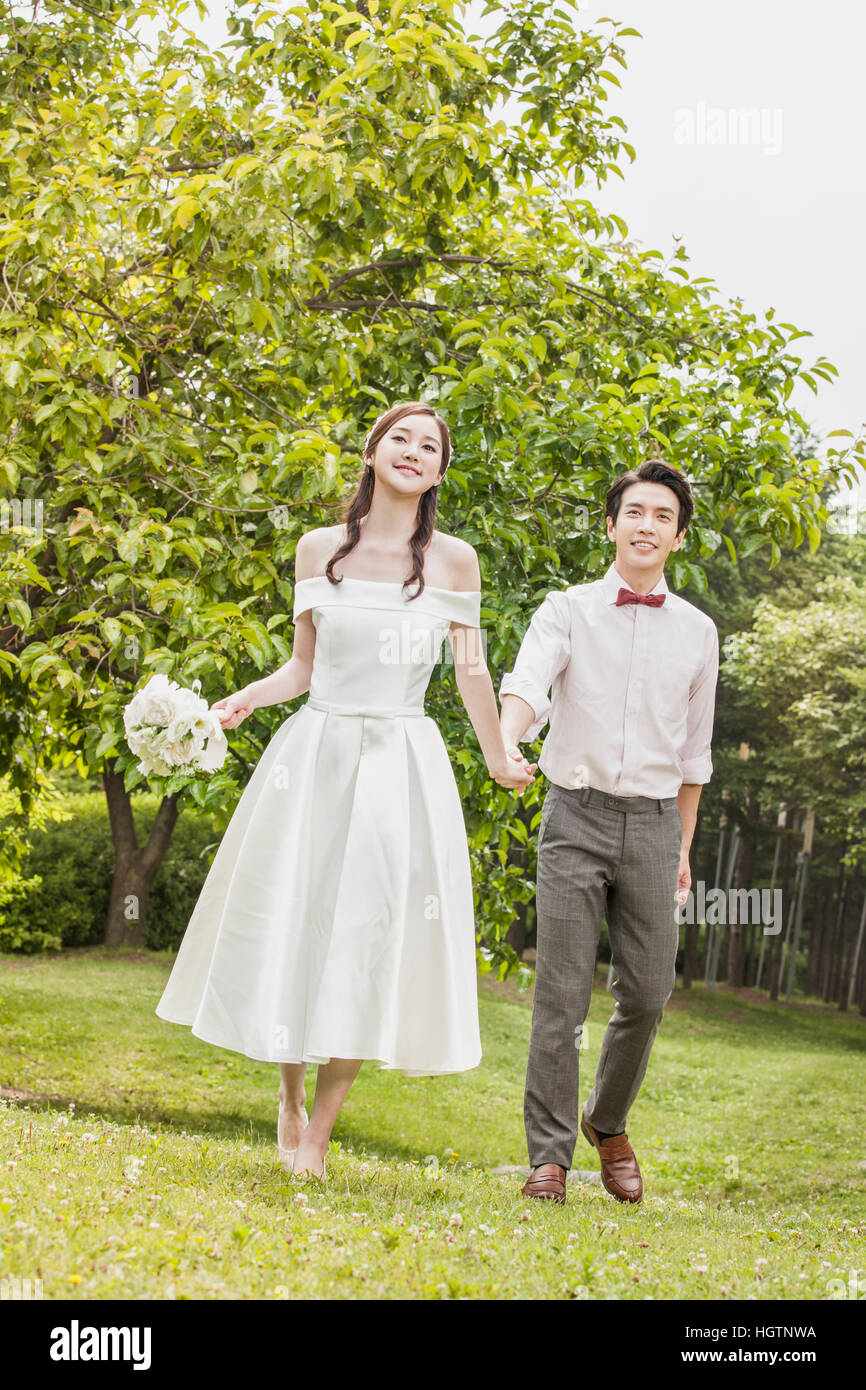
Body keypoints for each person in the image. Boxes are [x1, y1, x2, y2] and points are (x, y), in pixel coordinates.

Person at [155, 400, 535, 1179]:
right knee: (299, 917)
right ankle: (290, 1095)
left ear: (439, 470)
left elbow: (470, 672)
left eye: (429, 446)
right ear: (371, 453)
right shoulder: (317, 548)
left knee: (372, 932)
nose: (413, 451)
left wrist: (499, 754)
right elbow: (302, 667)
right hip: (317, 753)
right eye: (400, 437)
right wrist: (246, 699)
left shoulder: (455, 561)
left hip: (400, 761)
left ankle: (320, 1135)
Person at [498, 458, 719, 1206]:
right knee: (560, 996)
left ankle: (608, 1121)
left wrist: (683, 846)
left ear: (678, 536)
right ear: (611, 525)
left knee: (649, 993)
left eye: (663, 516)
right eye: (635, 512)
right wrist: (508, 739)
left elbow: (694, 755)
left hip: (656, 825)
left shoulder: (698, 632)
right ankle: (549, 1158)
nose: (647, 526)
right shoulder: (567, 610)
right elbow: (529, 685)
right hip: (575, 815)